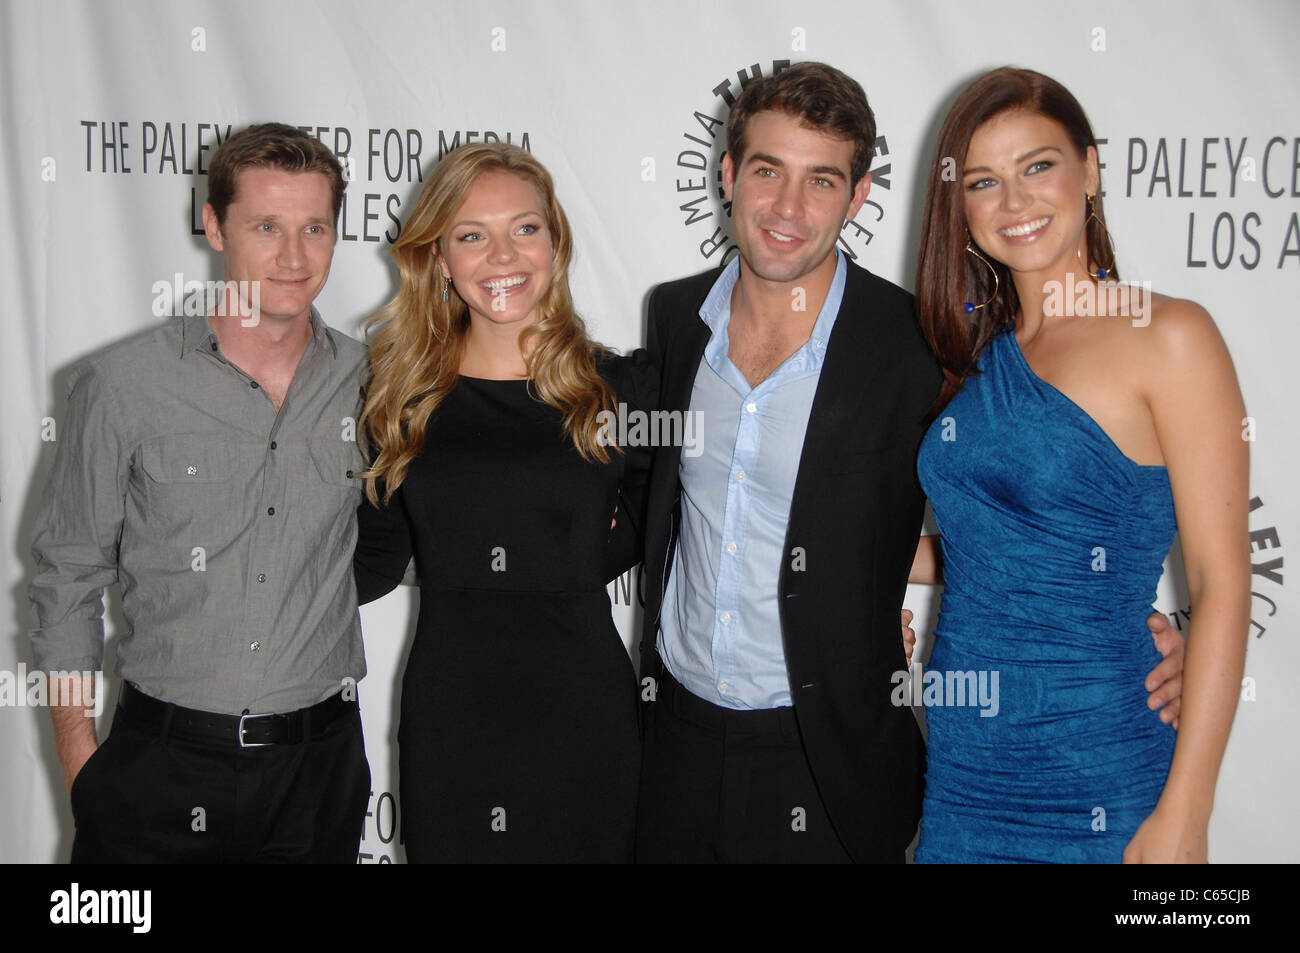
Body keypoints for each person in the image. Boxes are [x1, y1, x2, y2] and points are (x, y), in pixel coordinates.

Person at [634, 61, 1187, 864]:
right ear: (727, 175)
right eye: (767, 172)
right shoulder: (674, 315)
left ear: (858, 198)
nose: (788, 209)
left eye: (821, 181)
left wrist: (1186, 631)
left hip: (829, 757)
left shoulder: (920, 344)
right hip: (674, 739)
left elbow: (1028, 508)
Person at [909, 67, 1249, 863]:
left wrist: (1187, 816)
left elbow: (1223, 581)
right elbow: (991, 550)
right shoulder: (971, 362)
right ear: (959, 208)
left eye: (1038, 166)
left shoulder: (1169, 336)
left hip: (1103, 766)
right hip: (962, 776)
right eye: (985, 181)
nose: (1015, 203)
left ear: (1090, 170)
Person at [28, 122, 372, 862]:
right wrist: (84, 765)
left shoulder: (373, 385)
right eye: (266, 226)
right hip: (157, 767)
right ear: (214, 225)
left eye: (315, 226)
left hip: (317, 774)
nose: (294, 255)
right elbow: (67, 577)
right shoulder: (121, 386)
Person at [353, 143, 654, 863]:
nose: (502, 256)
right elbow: (374, 561)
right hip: (452, 715)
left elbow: (657, 527)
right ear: (440, 258)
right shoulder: (399, 397)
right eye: (471, 235)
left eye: (525, 228)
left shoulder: (622, 390)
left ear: (555, 241)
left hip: (585, 713)